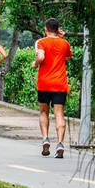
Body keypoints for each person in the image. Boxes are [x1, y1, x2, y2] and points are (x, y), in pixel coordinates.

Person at [34, 19, 72, 157]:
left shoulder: (41, 42)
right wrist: (62, 38)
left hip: (44, 83)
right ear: (57, 29)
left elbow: (41, 56)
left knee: (44, 112)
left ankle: (45, 139)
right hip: (59, 84)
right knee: (59, 114)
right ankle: (60, 143)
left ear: (46, 28)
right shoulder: (65, 43)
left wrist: (36, 63)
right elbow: (66, 57)